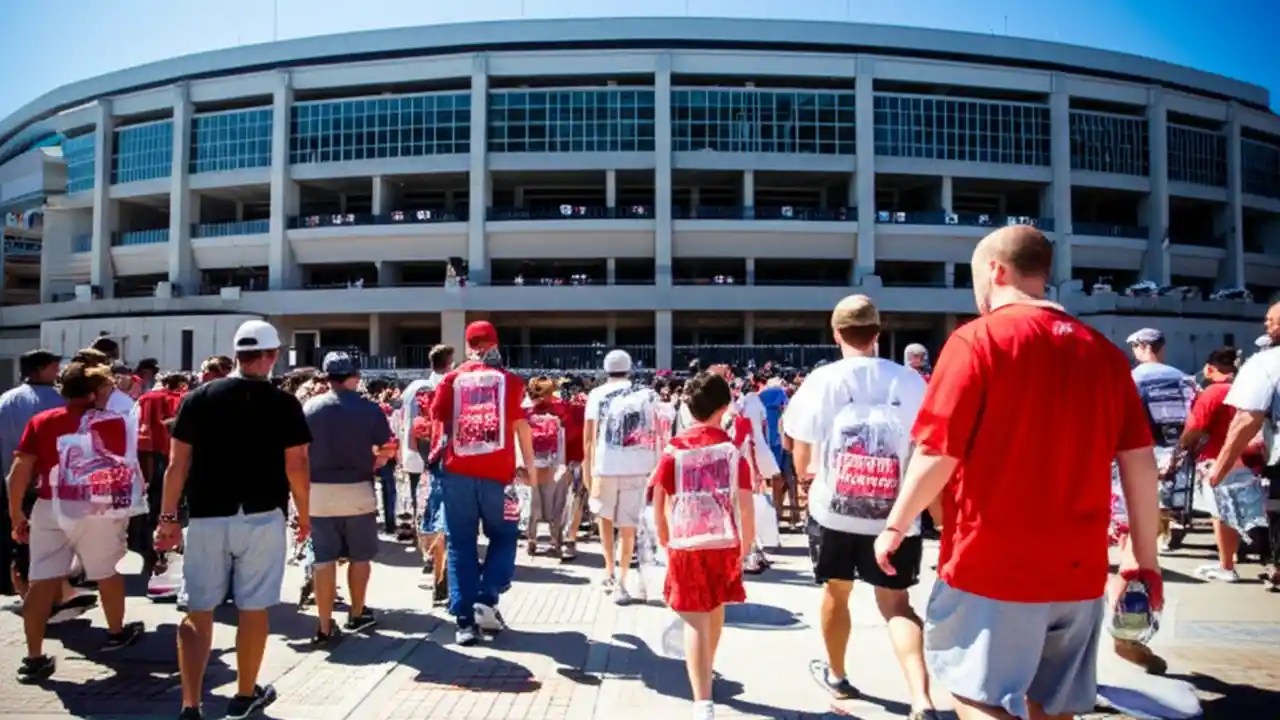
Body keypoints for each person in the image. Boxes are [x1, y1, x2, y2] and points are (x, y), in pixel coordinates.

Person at [874, 225, 1163, 720]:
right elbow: (1139, 464)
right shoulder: (1105, 354)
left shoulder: (977, 341)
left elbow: (937, 452)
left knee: (975, 695)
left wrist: (896, 524)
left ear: (995, 270)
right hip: (1078, 568)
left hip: (991, 561)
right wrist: (1145, 559)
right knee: (1054, 703)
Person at [781, 295, 936, 718]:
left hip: (834, 511)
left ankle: (838, 674)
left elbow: (800, 446)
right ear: (877, 334)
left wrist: (806, 484)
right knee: (897, 604)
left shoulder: (823, 380)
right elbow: (930, 446)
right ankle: (921, 698)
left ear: (836, 334)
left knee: (836, 590)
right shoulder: (909, 381)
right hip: (896, 515)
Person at [155, 320, 312, 720]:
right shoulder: (284, 404)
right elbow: (297, 465)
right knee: (253, 607)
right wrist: (304, 515)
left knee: (197, 609)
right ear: (273, 355)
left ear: (237, 355)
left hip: (207, 514)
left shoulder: (198, 397)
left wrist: (168, 517)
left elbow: (177, 466)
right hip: (262, 514)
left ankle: (190, 704)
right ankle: (244, 694)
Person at [8, 361, 146, 683]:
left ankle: (34, 656)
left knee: (42, 579)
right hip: (96, 506)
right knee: (106, 572)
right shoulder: (113, 422)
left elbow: (19, 471)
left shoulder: (42, 421)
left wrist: (16, 513)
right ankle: (115, 633)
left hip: (49, 504)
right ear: (95, 392)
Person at [650, 371, 755, 720]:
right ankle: (706, 669)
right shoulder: (730, 451)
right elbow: (745, 503)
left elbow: (660, 495)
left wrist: (662, 533)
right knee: (715, 606)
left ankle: (702, 699)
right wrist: (747, 544)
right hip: (724, 538)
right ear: (723, 407)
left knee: (694, 616)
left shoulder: (674, 449)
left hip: (686, 539)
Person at [429, 321, 535, 645]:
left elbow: (437, 415)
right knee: (506, 534)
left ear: (467, 345)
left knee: (460, 543)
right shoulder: (512, 382)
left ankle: (464, 623)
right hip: (501, 476)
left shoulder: (452, 378)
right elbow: (522, 429)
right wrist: (528, 467)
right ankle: (487, 596)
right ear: (495, 344)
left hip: (457, 473)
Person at [303, 352, 394, 645]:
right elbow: (387, 448)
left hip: (318, 490)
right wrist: (375, 461)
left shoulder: (310, 408)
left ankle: (324, 625)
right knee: (360, 557)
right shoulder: (369, 409)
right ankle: (356, 613)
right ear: (354, 376)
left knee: (323, 559)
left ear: (327, 377)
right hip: (358, 487)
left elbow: (298, 454)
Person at [1209, 300, 1280, 591]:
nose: (1267, 325)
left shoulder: (1267, 363)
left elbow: (1246, 419)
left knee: (1276, 508)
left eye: (1272, 321)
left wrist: (1220, 468)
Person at [584, 349, 661, 605]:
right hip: (637, 465)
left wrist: (588, 470)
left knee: (604, 517)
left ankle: (608, 569)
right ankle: (623, 580)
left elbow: (589, 438)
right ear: (630, 368)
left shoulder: (596, 394)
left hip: (605, 465)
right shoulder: (646, 393)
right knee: (629, 525)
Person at [1182, 347, 1260, 583]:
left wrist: (1182, 447)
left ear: (1209, 368)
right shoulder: (1248, 390)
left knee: (1221, 514)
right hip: (1248, 460)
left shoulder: (1213, 392)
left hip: (1218, 459)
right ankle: (1232, 558)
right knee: (1239, 513)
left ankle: (1226, 566)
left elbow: (1195, 426)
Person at [1126, 327, 1199, 552]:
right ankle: (1175, 522)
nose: (1134, 352)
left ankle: (1155, 534)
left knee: (1147, 490)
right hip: (1181, 440)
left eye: (1134, 347)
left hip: (1148, 441)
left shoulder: (1134, 377)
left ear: (1144, 347)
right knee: (1176, 487)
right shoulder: (1183, 377)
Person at [524, 377, 572, 558]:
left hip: (532, 463)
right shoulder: (558, 411)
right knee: (555, 502)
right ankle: (555, 540)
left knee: (533, 502)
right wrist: (562, 464)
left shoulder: (526, 413)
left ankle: (532, 539)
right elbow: (562, 441)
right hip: (552, 462)